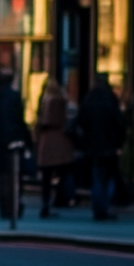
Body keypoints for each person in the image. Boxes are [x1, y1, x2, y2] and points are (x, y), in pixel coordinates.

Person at [76, 73, 126, 220]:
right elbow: (120, 123)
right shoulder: (111, 100)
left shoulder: (89, 99)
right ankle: (107, 207)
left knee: (97, 177)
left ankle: (99, 208)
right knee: (109, 177)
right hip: (110, 144)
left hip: (93, 145)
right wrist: (119, 143)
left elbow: (81, 122)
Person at [0, 71, 32, 219]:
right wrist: (27, 141)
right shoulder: (14, 97)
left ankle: (5, 207)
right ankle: (13, 206)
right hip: (13, 141)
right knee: (14, 175)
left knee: (3, 177)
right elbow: (20, 120)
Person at [34, 78, 76, 217]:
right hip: (60, 140)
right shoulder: (61, 101)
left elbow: (41, 121)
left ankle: (46, 203)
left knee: (46, 177)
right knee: (64, 172)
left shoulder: (44, 101)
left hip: (46, 142)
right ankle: (63, 198)